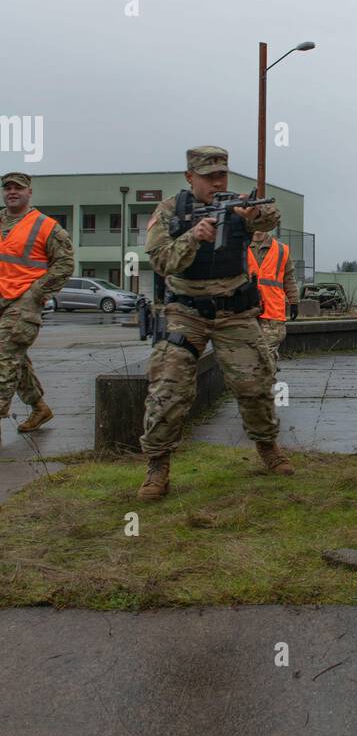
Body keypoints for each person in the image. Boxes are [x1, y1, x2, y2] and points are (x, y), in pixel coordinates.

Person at [137, 146, 295, 500]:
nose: (216, 182)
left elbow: (270, 216)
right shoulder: (168, 211)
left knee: (255, 383)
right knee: (168, 387)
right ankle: (158, 464)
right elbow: (162, 261)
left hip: (234, 312)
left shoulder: (237, 204)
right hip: (185, 312)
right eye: (208, 177)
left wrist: (253, 210)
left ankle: (267, 446)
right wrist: (193, 236)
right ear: (190, 177)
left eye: (221, 175)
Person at [0, 172, 74, 440]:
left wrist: (37, 292)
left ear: (29, 192)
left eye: (17, 188)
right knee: (15, 360)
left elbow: (65, 263)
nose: (12, 192)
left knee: (3, 359)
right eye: (7, 187)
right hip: (2, 300)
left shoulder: (45, 226)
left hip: (24, 302)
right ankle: (39, 407)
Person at [246, 229, 299, 377]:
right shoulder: (240, 246)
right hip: (246, 310)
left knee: (267, 350)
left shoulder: (281, 249)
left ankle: (265, 382)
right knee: (251, 354)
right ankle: (263, 382)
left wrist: (294, 301)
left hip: (272, 310)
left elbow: (288, 278)